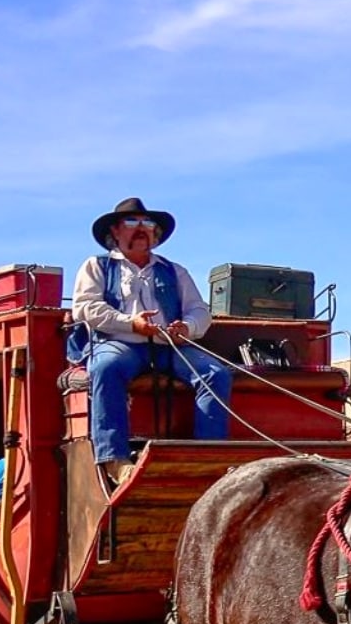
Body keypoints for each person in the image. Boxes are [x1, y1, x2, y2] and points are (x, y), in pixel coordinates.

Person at [70, 197, 234, 487]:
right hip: (119, 343)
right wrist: (131, 324)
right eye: (132, 222)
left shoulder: (174, 271)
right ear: (115, 232)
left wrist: (187, 327)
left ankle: (210, 456)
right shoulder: (97, 266)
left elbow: (199, 311)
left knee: (214, 373)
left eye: (148, 223)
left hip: (169, 346)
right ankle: (114, 459)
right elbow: (86, 308)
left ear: (156, 234)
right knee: (105, 368)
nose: (142, 228)